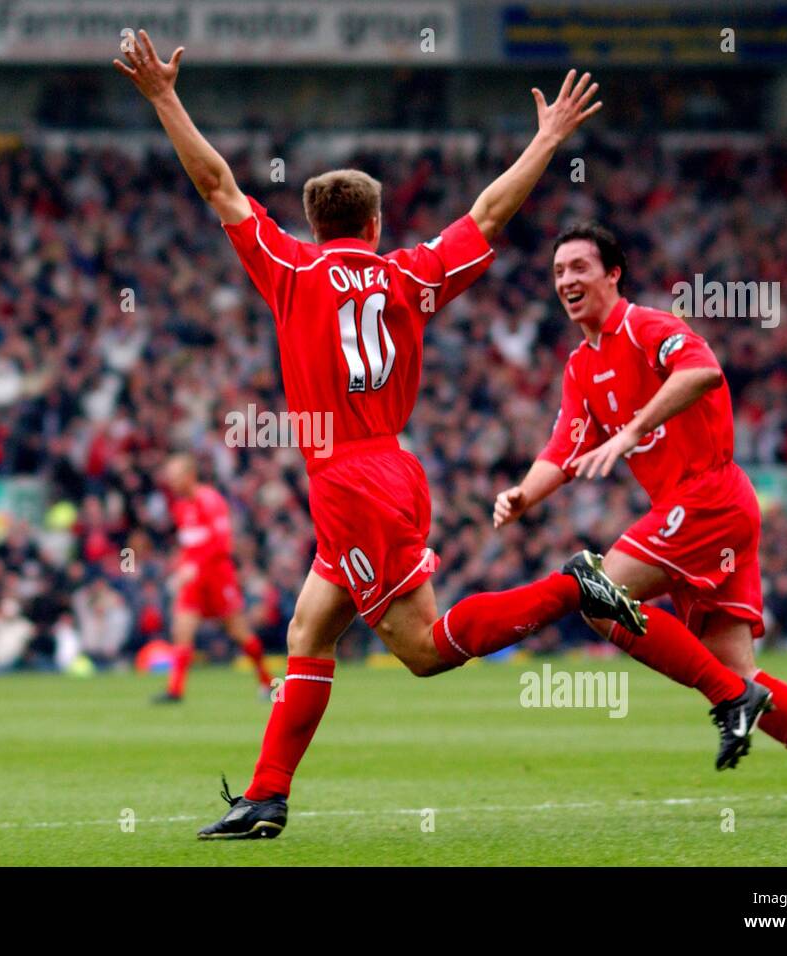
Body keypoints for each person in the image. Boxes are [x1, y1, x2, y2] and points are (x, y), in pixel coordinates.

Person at [116, 32, 645, 840]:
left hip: (349, 481)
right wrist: (546, 140)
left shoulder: (290, 270)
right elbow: (490, 212)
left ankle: (573, 587)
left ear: (315, 219)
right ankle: (266, 797)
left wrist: (162, 97)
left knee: (425, 651)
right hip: (391, 461)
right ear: (373, 220)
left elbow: (217, 182)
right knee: (307, 631)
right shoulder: (408, 272)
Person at [493, 222, 787, 815]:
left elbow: (704, 371)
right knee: (739, 671)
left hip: (709, 498)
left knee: (597, 594)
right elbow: (564, 449)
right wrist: (525, 494)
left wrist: (630, 431)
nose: (567, 280)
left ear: (612, 275)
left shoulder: (646, 326)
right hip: (698, 513)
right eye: (558, 272)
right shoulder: (581, 365)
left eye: (579, 267)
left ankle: (730, 699)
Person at [152, 454, 272, 703]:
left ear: (189, 475)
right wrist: (181, 566)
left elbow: (222, 543)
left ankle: (267, 682)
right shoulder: (180, 506)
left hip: (218, 575)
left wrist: (195, 566)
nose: (171, 482)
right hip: (194, 579)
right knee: (181, 630)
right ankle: (175, 690)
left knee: (239, 632)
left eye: (175, 476)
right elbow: (189, 544)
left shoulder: (209, 500)